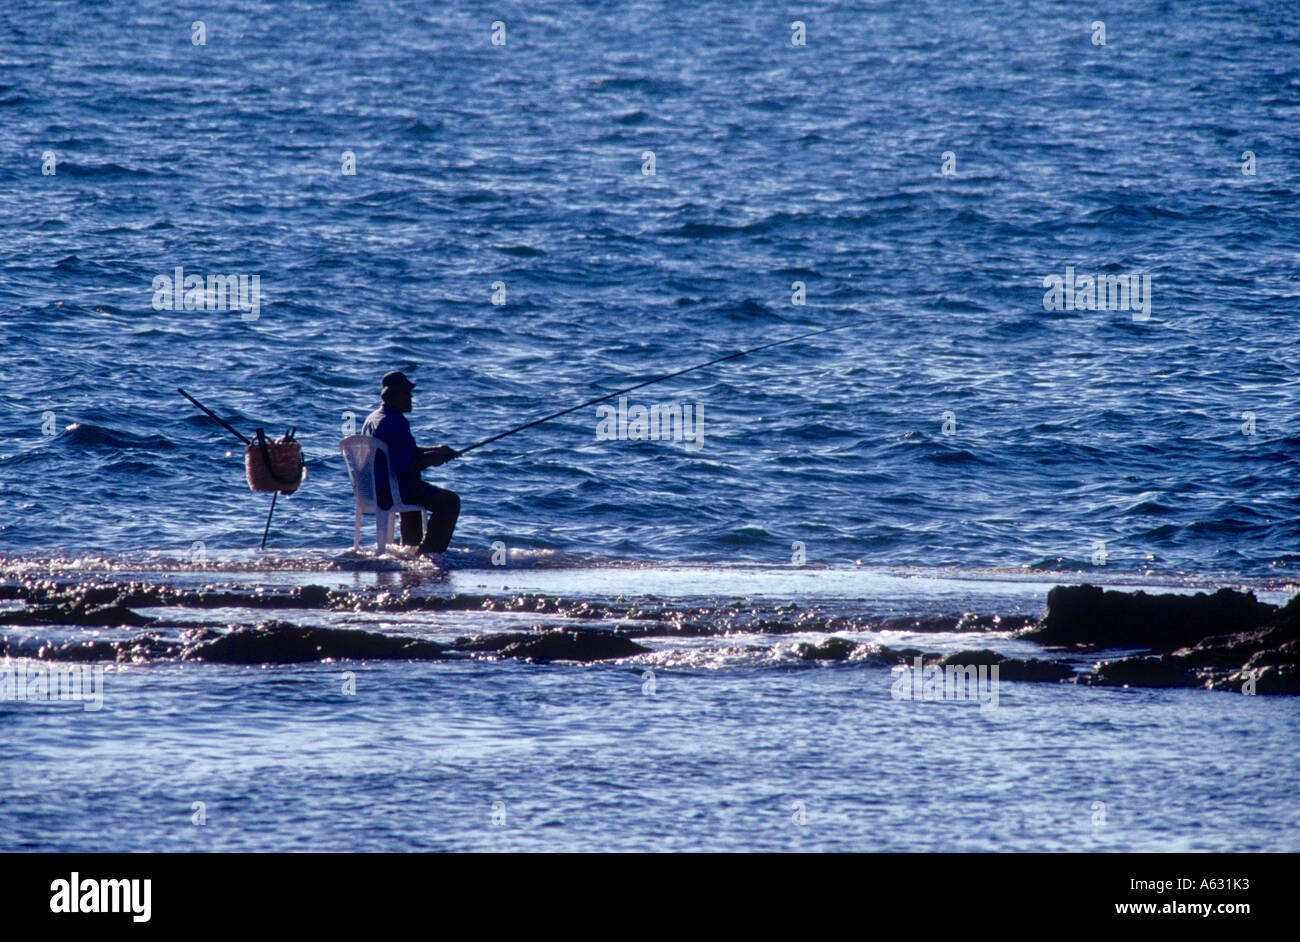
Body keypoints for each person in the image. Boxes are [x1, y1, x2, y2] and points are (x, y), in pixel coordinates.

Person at [361, 370, 460, 554]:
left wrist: (436, 450)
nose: (411, 397)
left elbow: (400, 452)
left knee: (416, 493)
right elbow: (402, 467)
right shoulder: (395, 424)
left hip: (376, 489)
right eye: (407, 393)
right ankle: (429, 554)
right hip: (393, 491)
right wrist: (431, 460)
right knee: (450, 501)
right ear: (395, 395)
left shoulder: (375, 418)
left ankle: (410, 550)